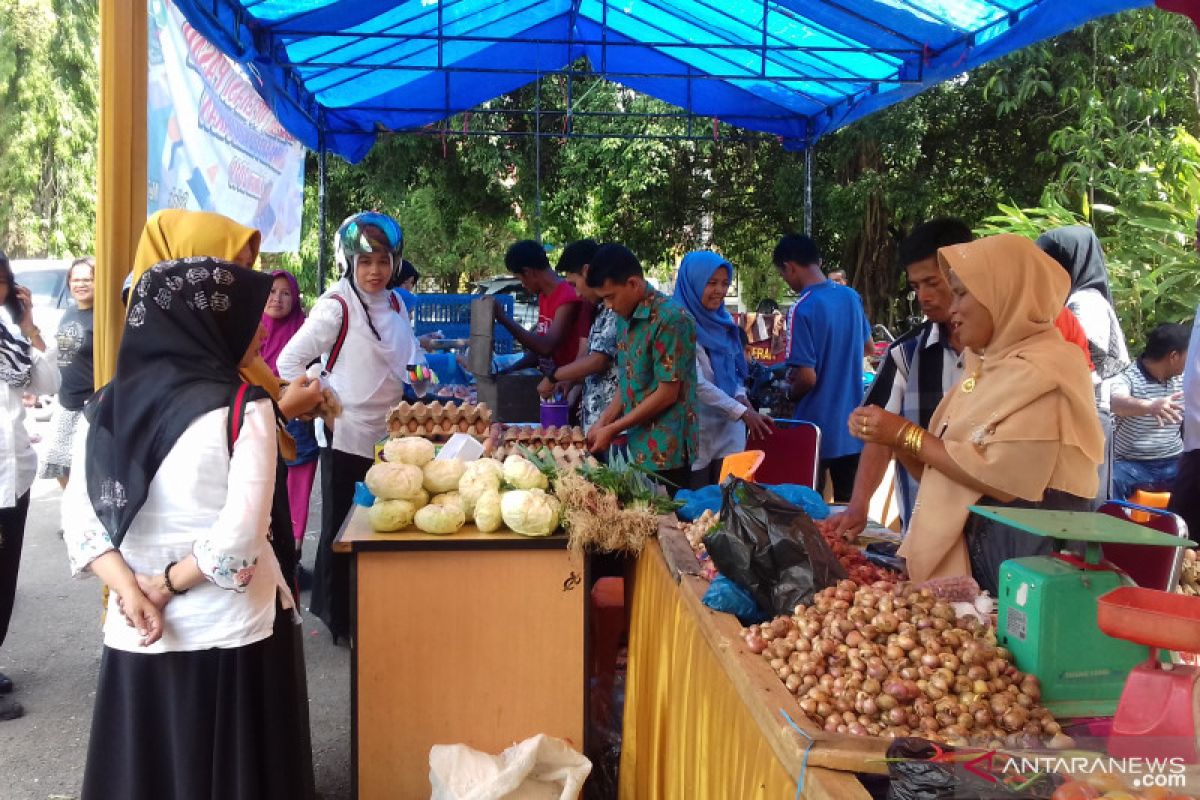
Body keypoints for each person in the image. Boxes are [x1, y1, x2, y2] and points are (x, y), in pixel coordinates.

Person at [62, 258, 313, 798]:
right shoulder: (245, 406)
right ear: (208, 326)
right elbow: (242, 536)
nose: (260, 331)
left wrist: (131, 591)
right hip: (229, 630)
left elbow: (81, 523)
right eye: (248, 319)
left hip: (137, 631)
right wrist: (164, 585)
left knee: (147, 771)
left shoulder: (101, 406)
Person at [850, 235, 1103, 594]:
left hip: (1025, 570)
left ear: (1004, 294)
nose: (951, 308)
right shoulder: (984, 371)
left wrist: (905, 435)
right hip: (983, 569)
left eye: (963, 293)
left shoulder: (1047, 371)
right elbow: (942, 473)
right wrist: (894, 441)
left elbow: (1003, 477)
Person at [130, 209, 323, 591]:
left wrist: (284, 398)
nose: (246, 293)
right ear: (189, 275)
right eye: (231, 273)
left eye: (248, 273)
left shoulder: (234, 355)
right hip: (197, 592)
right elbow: (207, 461)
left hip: (244, 577)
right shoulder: (162, 371)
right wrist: (281, 411)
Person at [278, 211, 424, 642]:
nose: (375, 271)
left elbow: (409, 361)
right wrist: (322, 394)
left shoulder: (396, 303)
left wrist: (429, 382)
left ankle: (375, 608)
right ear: (348, 263)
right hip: (345, 434)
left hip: (392, 435)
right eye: (365, 262)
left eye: (382, 261)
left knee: (384, 521)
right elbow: (288, 362)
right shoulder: (335, 307)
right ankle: (339, 617)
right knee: (344, 527)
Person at [822, 219, 971, 541]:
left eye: (933, 282)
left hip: (993, 532)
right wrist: (858, 505)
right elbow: (879, 435)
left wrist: (902, 435)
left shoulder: (1010, 357)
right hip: (925, 530)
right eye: (916, 287)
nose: (923, 297)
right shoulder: (907, 353)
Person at [585, 243, 698, 493]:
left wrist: (614, 428)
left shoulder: (671, 319)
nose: (608, 306)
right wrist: (604, 420)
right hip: (637, 446)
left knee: (667, 526)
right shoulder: (624, 317)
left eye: (610, 296)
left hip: (667, 453)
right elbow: (630, 380)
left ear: (634, 284)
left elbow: (668, 393)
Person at [0, 251, 59, 721]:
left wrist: (28, 326)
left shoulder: (10, 339)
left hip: (14, 475)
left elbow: (48, 381)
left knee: (4, 581)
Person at [773, 234, 873, 502]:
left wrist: (786, 392)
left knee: (807, 509)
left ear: (789, 266)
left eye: (783, 275)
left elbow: (807, 377)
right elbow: (869, 348)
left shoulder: (802, 308)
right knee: (847, 510)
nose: (787, 281)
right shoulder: (851, 297)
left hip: (813, 430)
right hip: (852, 429)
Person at [1037, 225, 1130, 499]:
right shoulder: (1078, 300)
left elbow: (1077, 361)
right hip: (1082, 416)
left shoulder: (1083, 302)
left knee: (1078, 507)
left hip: (1083, 416)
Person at [672, 250, 774, 488]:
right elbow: (694, 382)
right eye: (711, 283)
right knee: (699, 508)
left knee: (733, 498)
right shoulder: (677, 323)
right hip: (696, 427)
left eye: (725, 284)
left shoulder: (724, 323)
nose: (719, 290)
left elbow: (734, 373)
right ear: (693, 282)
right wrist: (742, 411)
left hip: (730, 428)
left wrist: (743, 402)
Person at [261, 270, 318, 557]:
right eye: (271, 291)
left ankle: (292, 552)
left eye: (285, 293)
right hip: (257, 420)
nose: (277, 299)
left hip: (298, 423)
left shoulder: (306, 331)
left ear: (295, 298)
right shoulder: (249, 330)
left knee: (297, 489)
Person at [536, 239, 619, 435]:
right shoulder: (598, 309)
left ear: (586, 271)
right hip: (596, 426)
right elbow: (589, 357)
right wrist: (570, 380)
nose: (576, 293)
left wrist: (554, 376)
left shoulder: (616, 308)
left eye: (574, 284)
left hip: (614, 430)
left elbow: (598, 361)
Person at [1109, 323, 1189, 501]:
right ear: (1174, 356)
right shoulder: (1128, 377)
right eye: (1188, 355)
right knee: (1111, 480)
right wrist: (1150, 407)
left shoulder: (1184, 378)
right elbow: (1116, 402)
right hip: (1131, 465)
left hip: (1174, 461)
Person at [493, 239, 588, 374]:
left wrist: (503, 318)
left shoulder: (568, 297)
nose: (523, 285)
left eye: (520, 279)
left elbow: (545, 347)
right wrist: (508, 371)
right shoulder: (544, 296)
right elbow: (537, 351)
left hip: (570, 383)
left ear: (528, 272)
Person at [40, 256, 95, 488]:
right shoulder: (70, 312)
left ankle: (86, 520)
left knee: (88, 470)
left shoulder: (102, 317)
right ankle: (73, 516)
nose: (80, 284)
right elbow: (57, 353)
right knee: (57, 464)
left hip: (90, 404)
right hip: (65, 401)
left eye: (88, 279)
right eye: (76, 279)